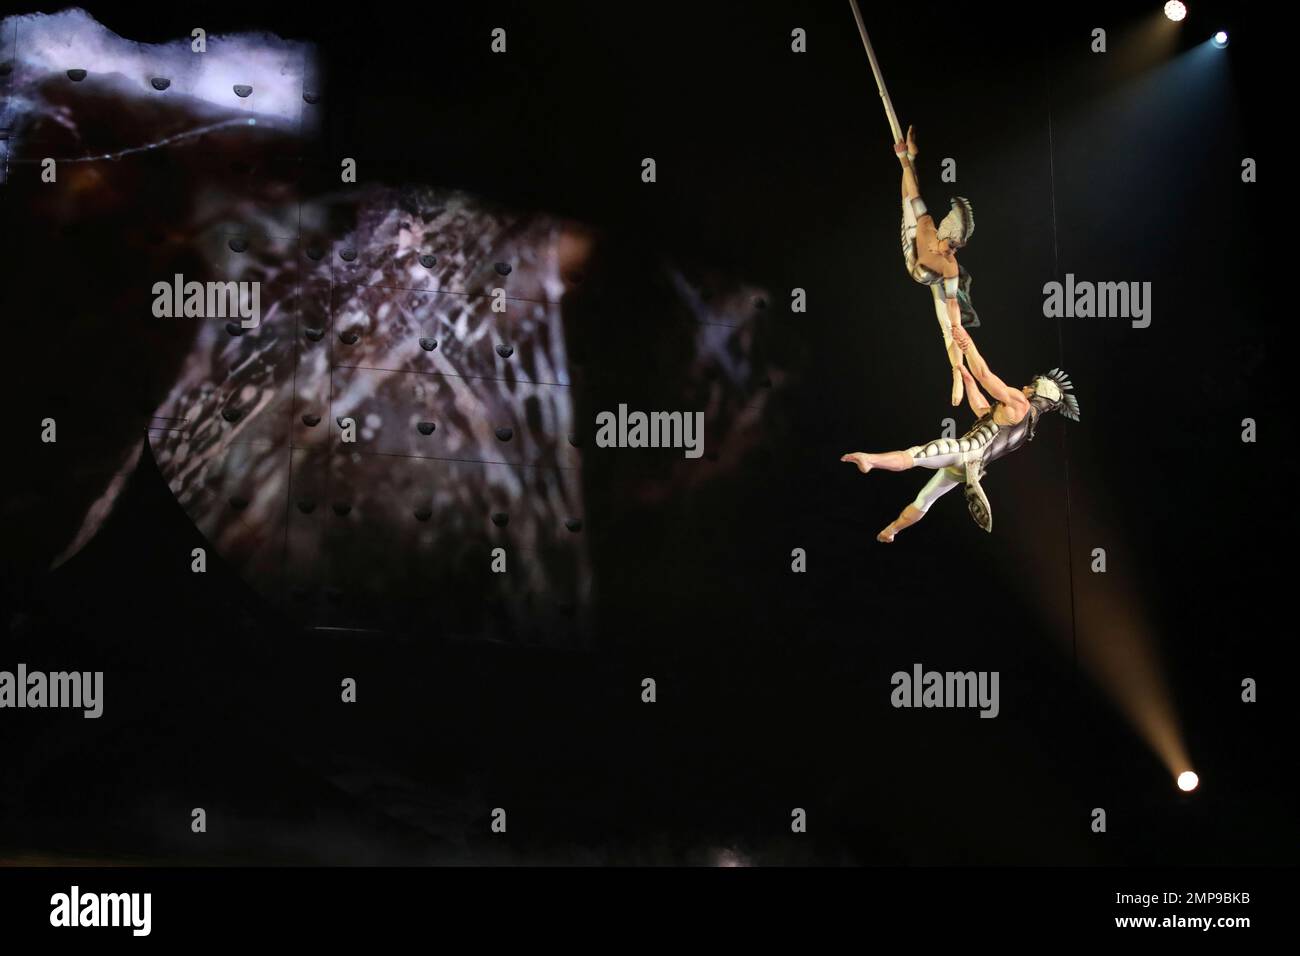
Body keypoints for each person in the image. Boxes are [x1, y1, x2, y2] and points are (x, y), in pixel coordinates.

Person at [841, 325, 1079, 541]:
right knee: (925, 500)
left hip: (966, 450)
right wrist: (966, 379)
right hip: (966, 469)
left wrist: (968, 345)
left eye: (1031, 386)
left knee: (915, 455)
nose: (1026, 386)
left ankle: (870, 460)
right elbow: (983, 411)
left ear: (1036, 394)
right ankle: (891, 531)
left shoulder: (1020, 402)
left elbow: (985, 375)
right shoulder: (1027, 427)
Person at [895, 125, 979, 405]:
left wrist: (957, 329)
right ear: (945, 234)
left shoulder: (950, 267)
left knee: (949, 326)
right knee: (908, 195)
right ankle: (910, 157)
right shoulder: (927, 224)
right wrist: (905, 159)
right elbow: (912, 193)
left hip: (929, 278)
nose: (952, 251)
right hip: (913, 247)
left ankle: (957, 370)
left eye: (956, 248)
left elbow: (952, 306)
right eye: (952, 245)